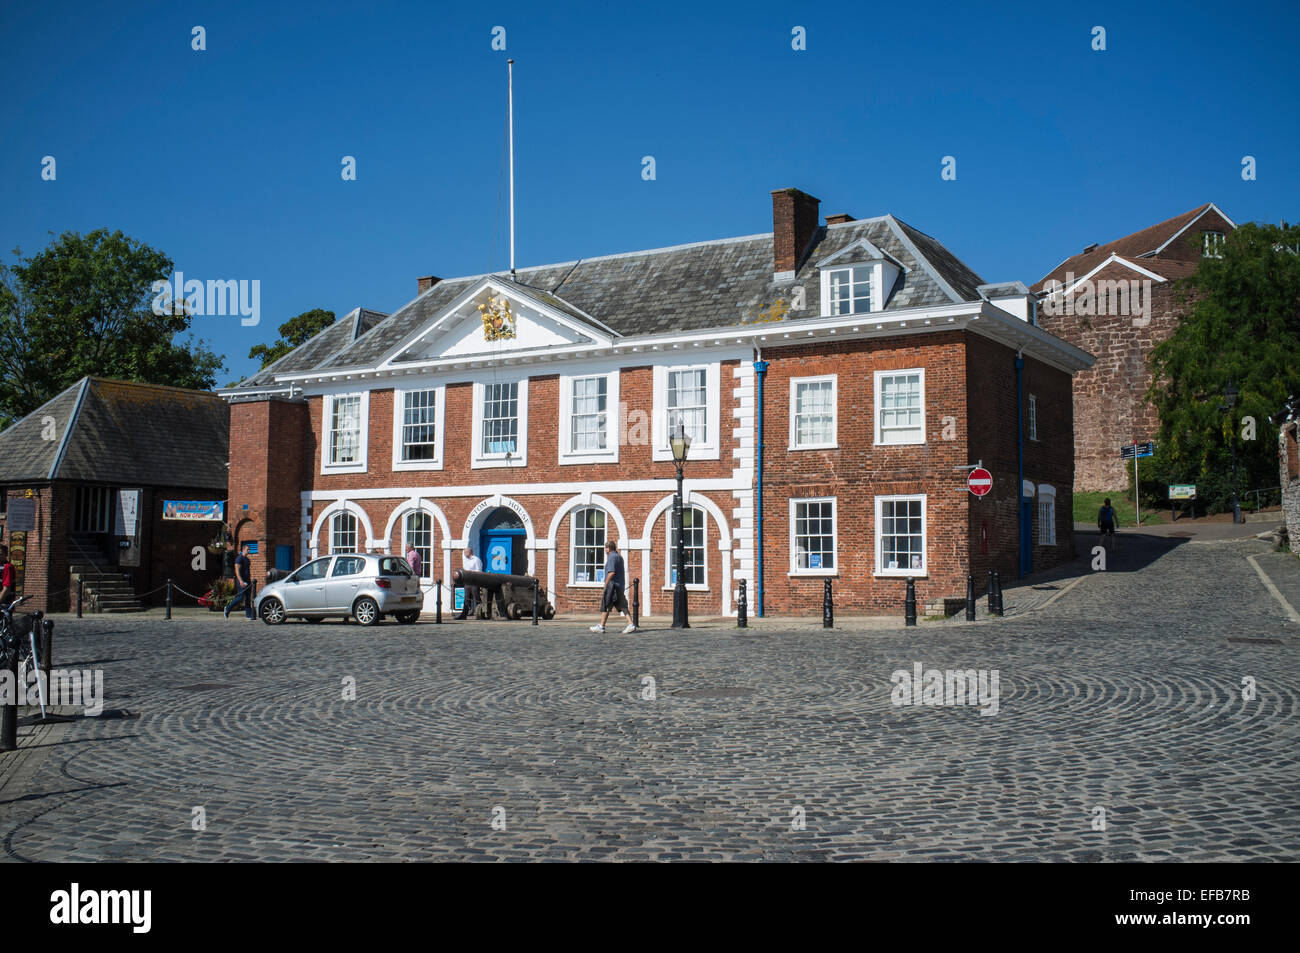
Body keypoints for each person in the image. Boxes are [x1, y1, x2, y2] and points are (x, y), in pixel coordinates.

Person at [590, 539, 636, 634]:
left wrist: (605, 584)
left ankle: (601, 626)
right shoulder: (619, 557)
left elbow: (611, 573)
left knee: (606, 604)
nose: (605, 550)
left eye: (605, 548)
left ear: (608, 548)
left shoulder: (611, 557)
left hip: (613, 586)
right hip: (619, 585)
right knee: (622, 606)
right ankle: (630, 624)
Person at [224, 543, 256, 620]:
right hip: (241, 580)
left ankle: (249, 615)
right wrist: (241, 581)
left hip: (247, 581)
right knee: (240, 597)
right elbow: (237, 571)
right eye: (247, 549)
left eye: (249, 549)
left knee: (248, 598)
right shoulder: (239, 558)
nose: (249, 551)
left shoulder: (247, 559)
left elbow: (247, 570)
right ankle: (228, 608)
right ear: (243, 550)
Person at [454, 546, 482, 620]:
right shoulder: (466, 561)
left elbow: (479, 571)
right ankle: (463, 615)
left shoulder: (476, 560)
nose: (464, 553)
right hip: (467, 582)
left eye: (466, 552)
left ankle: (480, 614)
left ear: (470, 552)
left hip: (474, 582)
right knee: (466, 599)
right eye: (464, 552)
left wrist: (471, 573)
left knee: (476, 598)